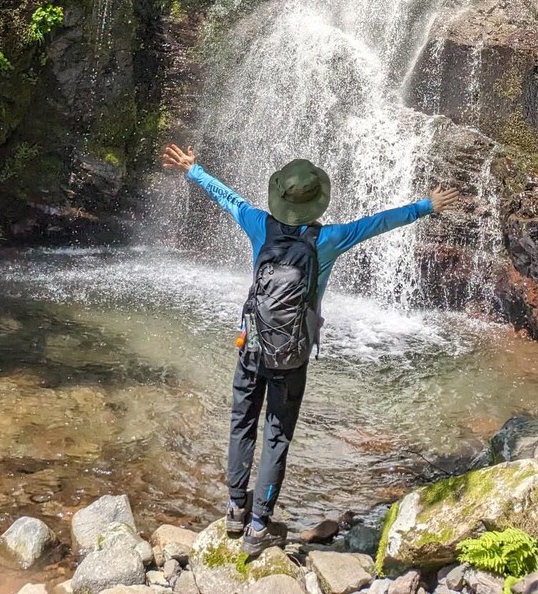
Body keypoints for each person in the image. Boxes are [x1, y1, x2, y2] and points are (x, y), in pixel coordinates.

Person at [161, 142, 459, 555]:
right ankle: (259, 525)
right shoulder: (330, 239)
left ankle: (234, 509)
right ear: (315, 203)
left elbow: (228, 198)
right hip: (293, 351)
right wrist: (427, 205)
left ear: (279, 197)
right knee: (277, 434)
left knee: (241, 422)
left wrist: (195, 171)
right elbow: (378, 222)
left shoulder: (258, 224)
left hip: (251, 343)